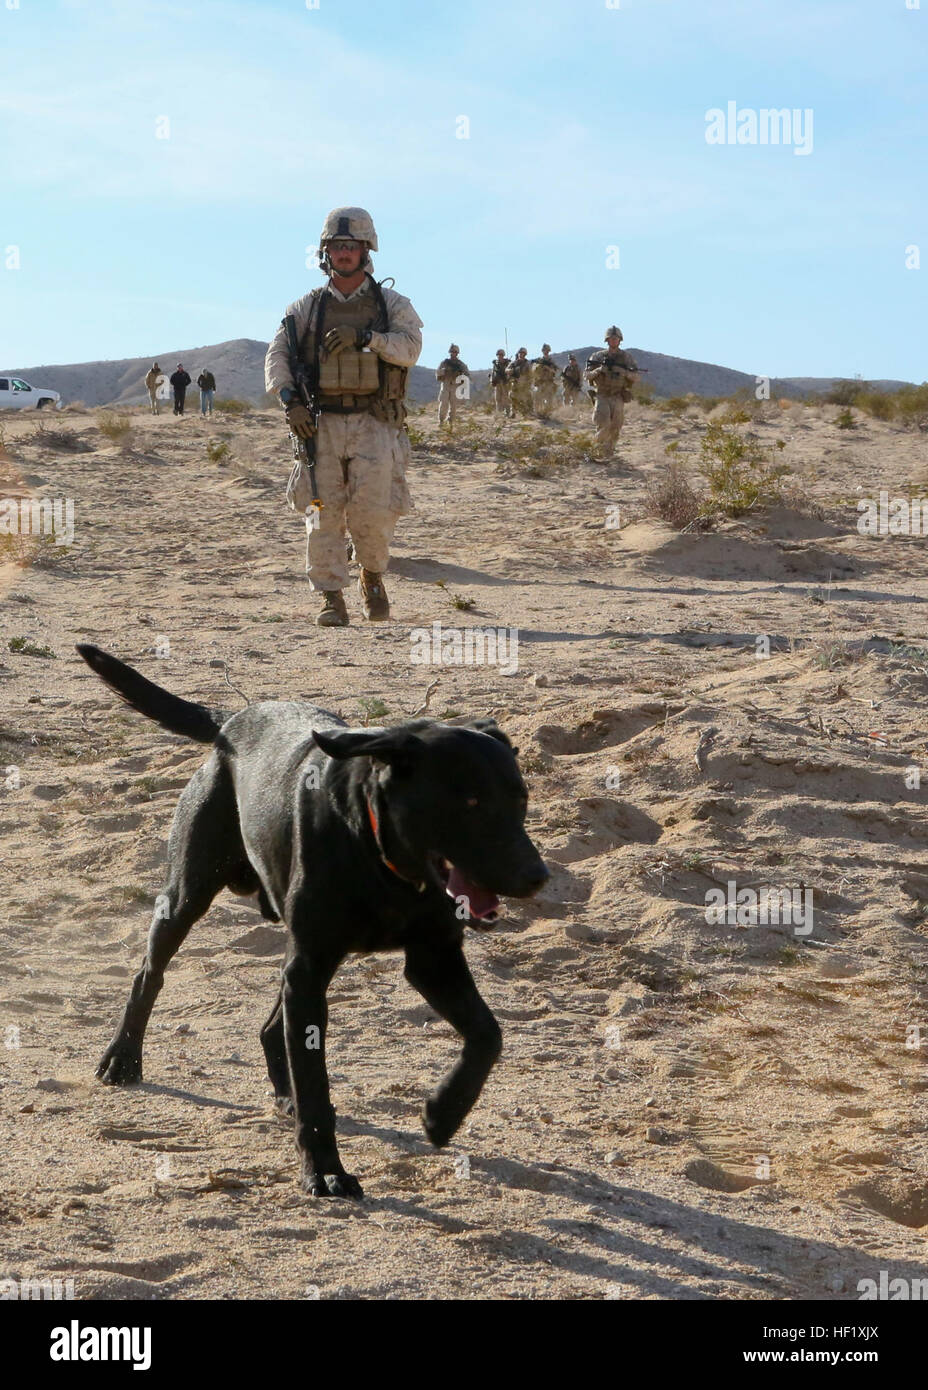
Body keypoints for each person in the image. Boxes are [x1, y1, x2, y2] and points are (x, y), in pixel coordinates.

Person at [264, 206, 423, 627]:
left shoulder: (391, 305)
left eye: (352, 246)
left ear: (366, 249)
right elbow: (277, 357)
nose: (345, 253)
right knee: (321, 512)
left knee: (374, 512)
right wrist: (289, 401)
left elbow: (410, 350)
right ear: (325, 252)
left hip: (375, 424)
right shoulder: (306, 308)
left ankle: (371, 577)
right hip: (321, 426)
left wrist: (368, 338)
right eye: (337, 246)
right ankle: (330, 596)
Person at [585, 326, 639, 461]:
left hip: (618, 395)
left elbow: (636, 377)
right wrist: (599, 370)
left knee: (616, 426)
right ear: (607, 340)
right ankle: (596, 449)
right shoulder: (597, 356)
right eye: (611, 339)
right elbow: (587, 375)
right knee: (603, 424)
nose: (614, 341)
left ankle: (609, 453)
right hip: (602, 394)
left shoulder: (626, 357)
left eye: (616, 339)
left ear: (620, 340)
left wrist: (624, 372)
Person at [436, 344, 469, 426]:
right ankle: (441, 421)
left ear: (457, 353)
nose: (453, 353)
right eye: (452, 352)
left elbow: (467, 375)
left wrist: (461, 377)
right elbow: (437, 372)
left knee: (453, 405)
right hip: (446, 384)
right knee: (444, 403)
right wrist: (444, 371)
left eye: (455, 352)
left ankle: (451, 422)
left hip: (455, 385)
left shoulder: (461, 364)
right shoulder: (444, 363)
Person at [532, 344, 559, 416]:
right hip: (540, 382)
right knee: (537, 397)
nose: (545, 352)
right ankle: (537, 412)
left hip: (549, 382)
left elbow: (555, 371)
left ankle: (547, 413)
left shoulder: (551, 361)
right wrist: (539, 366)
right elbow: (533, 370)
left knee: (549, 398)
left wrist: (548, 368)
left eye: (547, 350)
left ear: (549, 351)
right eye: (544, 350)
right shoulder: (539, 360)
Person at [506, 347, 533, 417]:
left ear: (525, 354)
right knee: (512, 396)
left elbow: (531, 374)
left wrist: (528, 381)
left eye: (523, 353)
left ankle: (529, 411)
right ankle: (513, 412)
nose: (521, 355)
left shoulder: (527, 363)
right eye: (520, 353)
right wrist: (510, 371)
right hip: (515, 383)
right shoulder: (514, 363)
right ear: (518, 354)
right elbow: (506, 370)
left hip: (524, 384)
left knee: (527, 398)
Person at [490, 349, 511, 415]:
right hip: (497, 383)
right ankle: (499, 412)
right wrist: (492, 381)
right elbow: (493, 372)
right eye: (498, 355)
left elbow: (510, 372)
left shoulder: (507, 363)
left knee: (506, 398)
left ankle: (507, 412)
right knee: (498, 398)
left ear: (503, 355)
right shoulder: (495, 363)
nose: (500, 356)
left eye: (501, 355)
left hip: (505, 382)